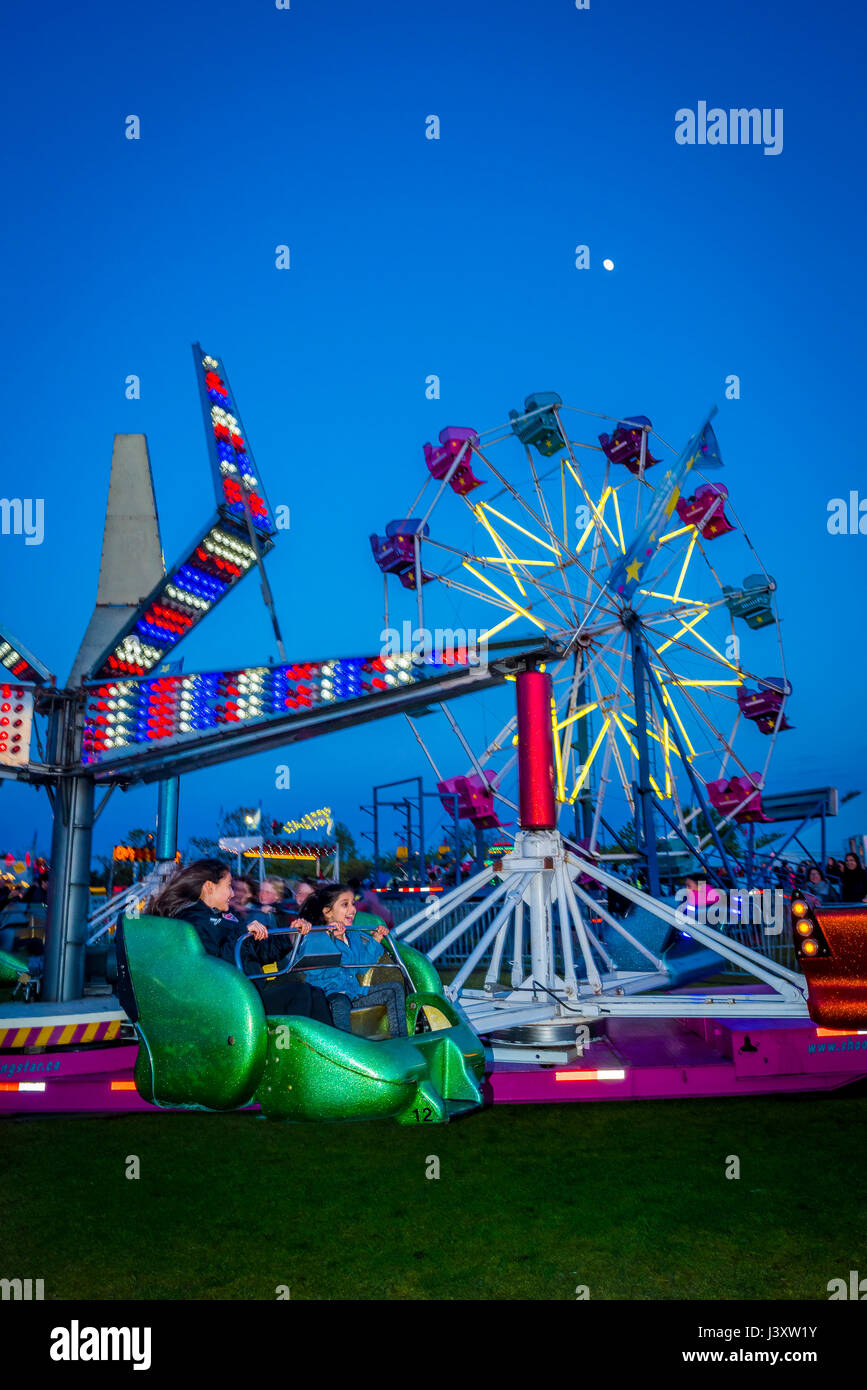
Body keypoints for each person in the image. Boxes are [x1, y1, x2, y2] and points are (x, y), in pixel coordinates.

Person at [147, 859, 332, 1023]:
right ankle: (293, 1055)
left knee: (315, 993)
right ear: (209, 887)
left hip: (249, 990)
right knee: (300, 994)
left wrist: (292, 935)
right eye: (228, 886)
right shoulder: (192, 921)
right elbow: (211, 967)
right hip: (228, 999)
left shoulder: (229, 916)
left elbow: (261, 953)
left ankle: (331, 1053)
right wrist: (241, 935)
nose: (232, 893)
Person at [294, 884, 407, 1037]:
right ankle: (345, 1047)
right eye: (345, 904)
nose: (353, 909)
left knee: (394, 989)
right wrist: (334, 941)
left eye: (353, 903)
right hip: (328, 996)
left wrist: (376, 940)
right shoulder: (316, 936)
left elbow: (361, 967)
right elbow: (316, 973)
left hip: (353, 993)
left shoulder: (352, 935)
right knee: (340, 1002)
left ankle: (400, 1041)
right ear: (327, 912)